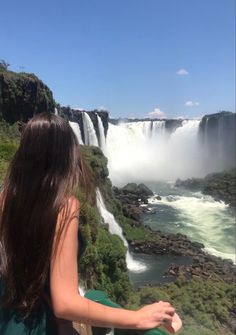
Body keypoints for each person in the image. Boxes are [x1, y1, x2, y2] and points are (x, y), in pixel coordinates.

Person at [0, 113, 176, 334]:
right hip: (35, 324)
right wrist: (138, 317)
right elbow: (65, 304)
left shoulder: (3, 198)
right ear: (67, 156)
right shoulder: (64, 206)